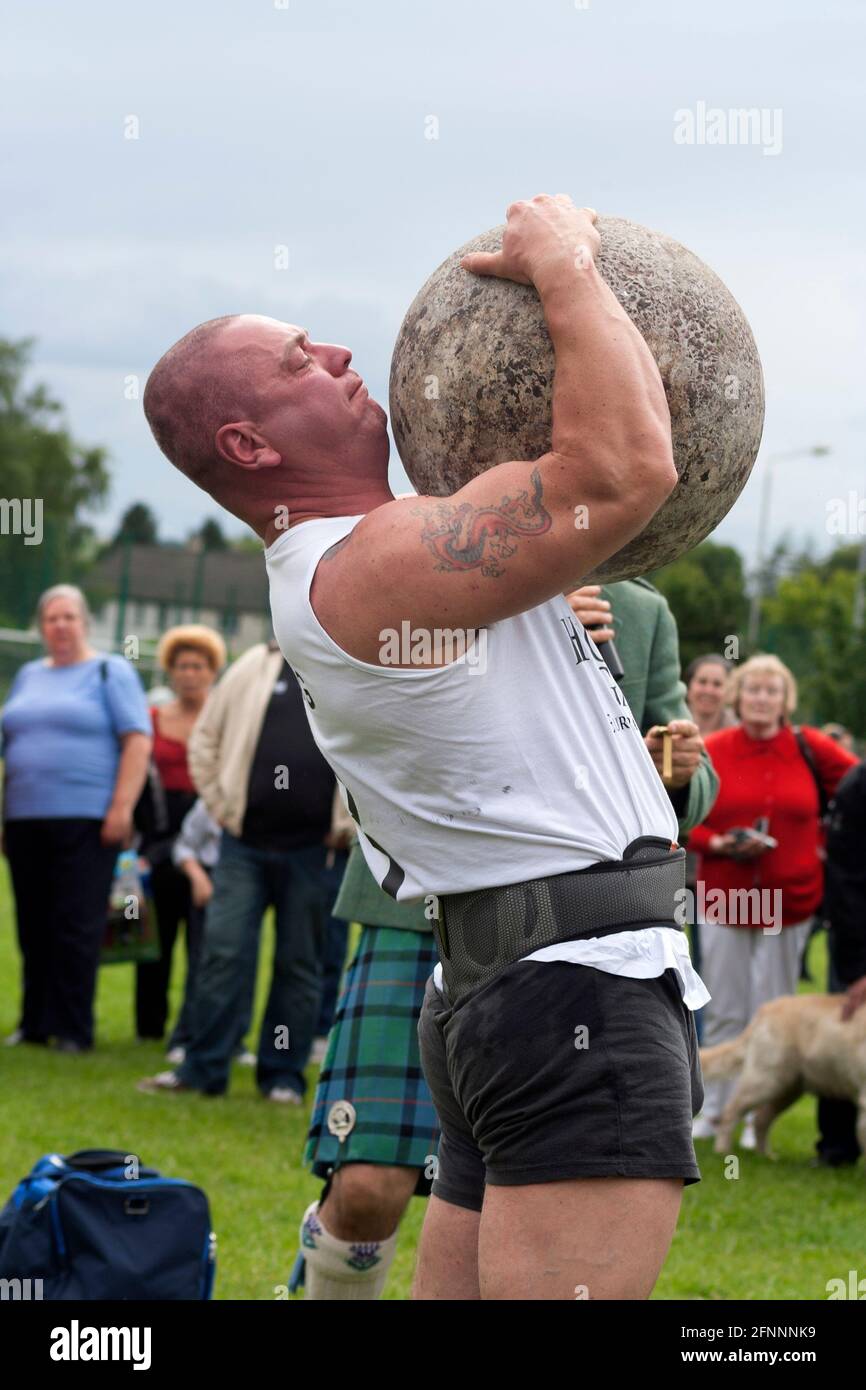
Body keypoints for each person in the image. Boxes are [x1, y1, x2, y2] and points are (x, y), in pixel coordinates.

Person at [143, 194, 709, 1301]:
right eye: (301, 360)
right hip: (569, 994)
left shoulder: (370, 559)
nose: (341, 353)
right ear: (250, 444)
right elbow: (623, 469)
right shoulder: (365, 569)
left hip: (516, 988)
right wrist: (563, 269)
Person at [290, 576, 717, 1300]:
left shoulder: (640, 611)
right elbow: (371, 696)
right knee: (368, 1184)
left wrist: (673, 769)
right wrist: (507, 638)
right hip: (424, 911)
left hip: (570, 930)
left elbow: (683, 786)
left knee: (502, 1187)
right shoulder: (436, 560)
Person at [138, 639, 352, 1101]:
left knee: (298, 964)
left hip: (317, 852)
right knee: (224, 953)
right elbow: (206, 739)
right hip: (243, 846)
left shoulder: (352, 666)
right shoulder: (254, 666)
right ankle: (202, 1068)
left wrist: (349, 822)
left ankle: (282, 1076)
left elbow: (383, 751)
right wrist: (220, 806)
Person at [688, 654, 857, 1143]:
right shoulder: (715, 747)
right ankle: (715, 1110)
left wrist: (833, 840)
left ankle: (753, 1114)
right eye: (754, 690)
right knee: (725, 1006)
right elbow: (682, 810)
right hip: (727, 894)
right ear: (738, 697)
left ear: (786, 700)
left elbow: (856, 789)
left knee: (774, 1006)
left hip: (790, 899)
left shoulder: (810, 747)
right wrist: (716, 842)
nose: (762, 699)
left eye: (772, 691)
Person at [1, 584, 151, 1051]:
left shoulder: (111, 671)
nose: (60, 625)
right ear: (40, 627)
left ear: (84, 623)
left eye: (69, 617)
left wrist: (121, 807)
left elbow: (137, 740)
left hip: (88, 817)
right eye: (51, 618)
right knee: (33, 921)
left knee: (77, 921)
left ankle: (73, 1027)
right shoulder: (27, 675)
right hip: (25, 818)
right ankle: (34, 1022)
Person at [134, 624, 224, 1056]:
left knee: (203, 941)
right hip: (157, 838)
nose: (190, 674)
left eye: (199, 666)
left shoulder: (222, 720)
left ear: (212, 672)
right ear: (170, 672)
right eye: (182, 666)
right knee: (156, 937)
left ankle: (195, 1026)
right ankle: (148, 1025)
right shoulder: (152, 721)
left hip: (207, 840)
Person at [815, 758, 866, 1165]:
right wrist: (856, 970)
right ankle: (837, 1146)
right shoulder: (856, 789)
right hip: (857, 938)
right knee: (842, 1039)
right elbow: (845, 882)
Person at [684, 653, 737, 739]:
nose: (708, 690)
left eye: (717, 684)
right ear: (689, 686)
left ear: (729, 691)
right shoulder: (668, 723)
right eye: (702, 682)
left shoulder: (739, 729)